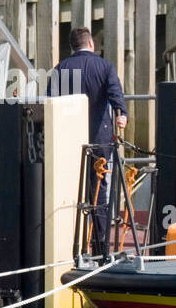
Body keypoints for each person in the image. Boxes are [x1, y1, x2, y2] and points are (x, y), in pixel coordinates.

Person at [49, 27, 127, 256]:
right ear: (91, 43)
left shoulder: (60, 69)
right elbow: (116, 98)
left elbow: (50, 103)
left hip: (67, 139)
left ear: (72, 46)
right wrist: (122, 114)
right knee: (99, 189)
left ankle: (69, 244)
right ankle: (99, 246)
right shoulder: (105, 67)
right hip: (98, 138)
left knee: (69, 188)